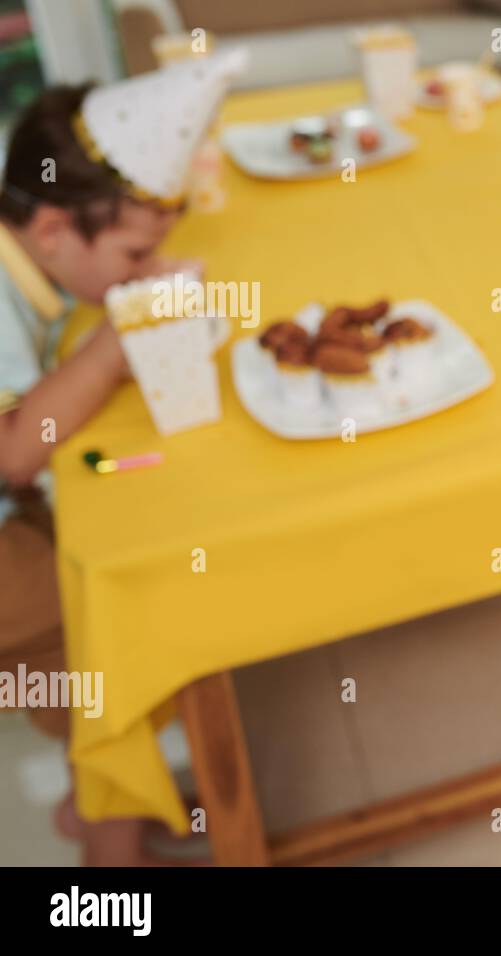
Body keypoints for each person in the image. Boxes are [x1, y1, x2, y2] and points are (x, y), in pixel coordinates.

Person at [0, 52, 241, 863]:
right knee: (122, 626)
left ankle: (95, 798)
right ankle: (112, 864)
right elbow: (13, 457)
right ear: (54, 230)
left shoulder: (28, 262)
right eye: (134, 257)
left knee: (75, 648)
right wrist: (110, 351)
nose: (141, 272)